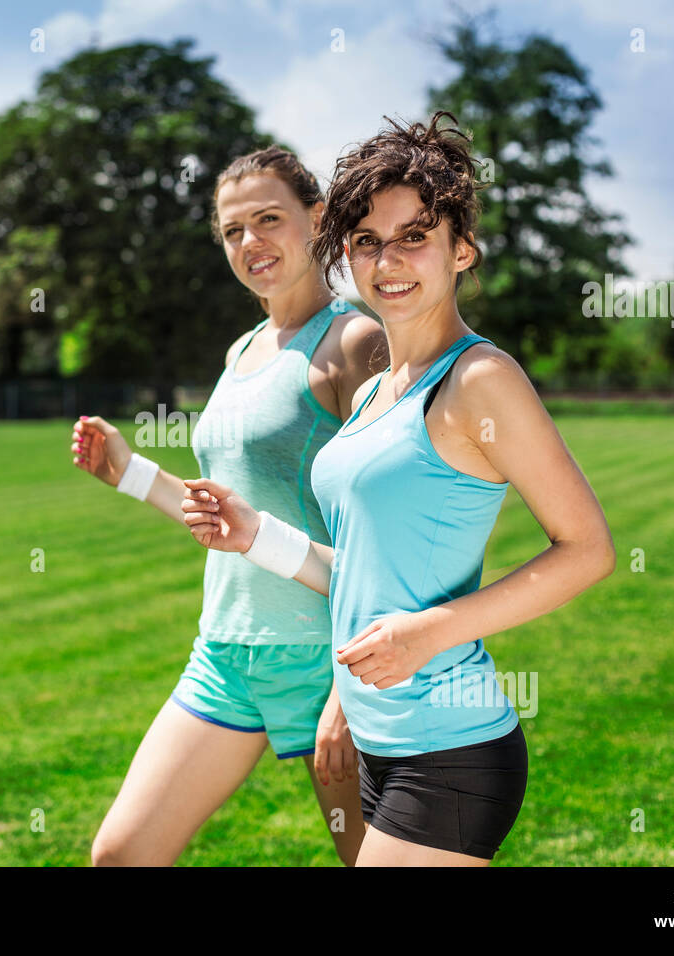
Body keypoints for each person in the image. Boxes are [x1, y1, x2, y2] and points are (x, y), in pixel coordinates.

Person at [182, 112, 616, 866]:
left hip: (451, 751)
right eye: (367, 241)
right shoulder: (382, 388)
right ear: (346, 254)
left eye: (415, 235)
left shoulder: (481, 380)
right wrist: (256, 534)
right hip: (382, 745)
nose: (390, 259)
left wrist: (432, 632)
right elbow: (361, 572)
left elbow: (588, 550)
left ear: (462, 247)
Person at [71, 146, 386, 866]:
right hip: (226, 653)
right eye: (233, 230)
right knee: (121, 854)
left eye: (269, 220)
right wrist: (129, 472)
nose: (251, 243)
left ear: (318, 219)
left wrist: (349, 689)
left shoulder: (356, 341)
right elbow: (236, 518)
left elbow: (384, 533)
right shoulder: (241, 350)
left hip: (332, 659)